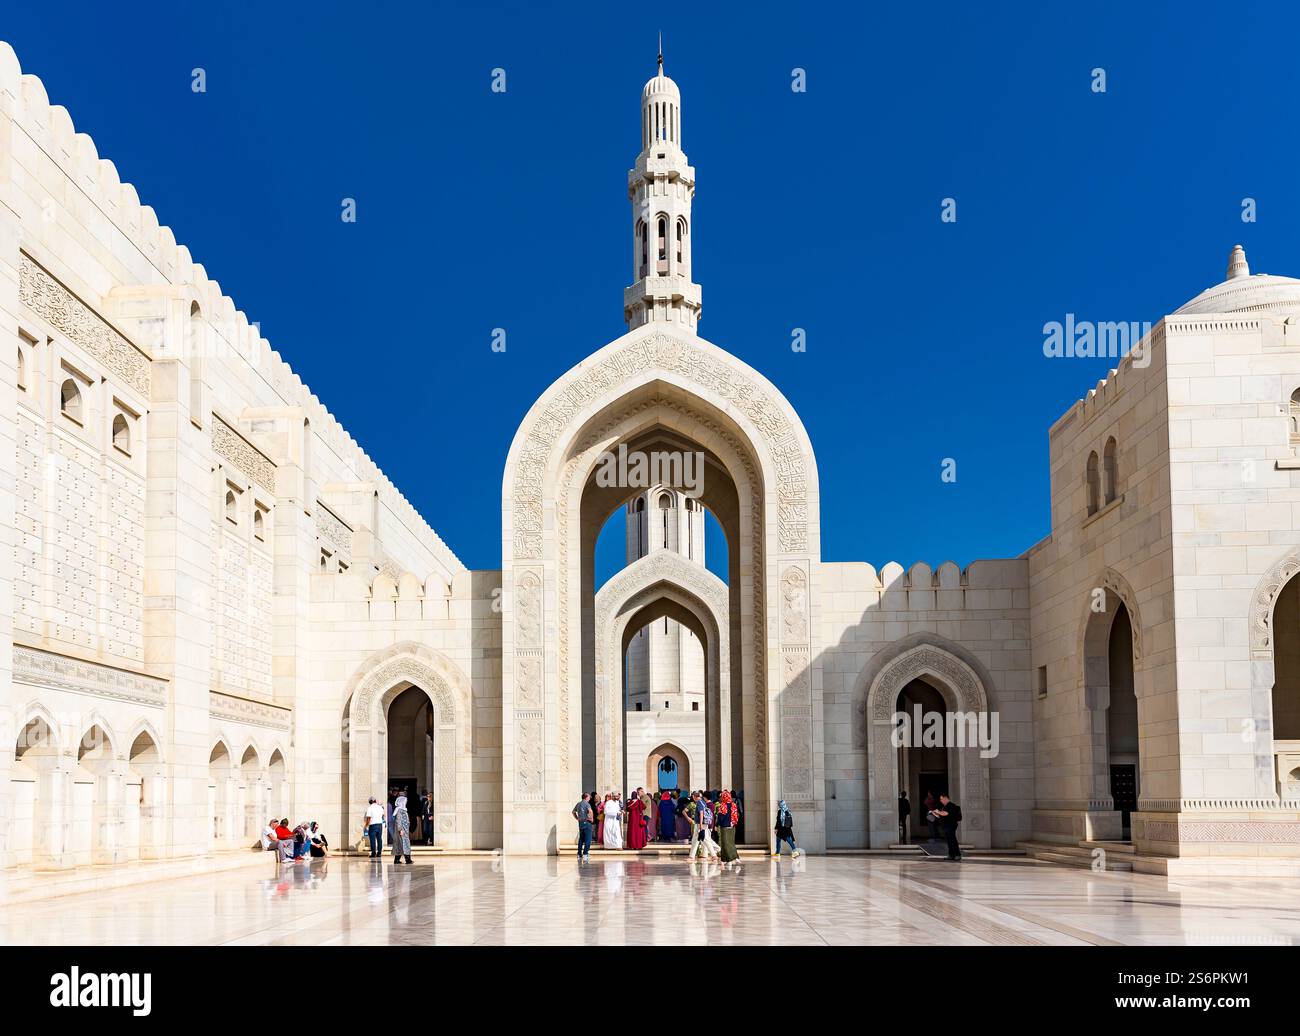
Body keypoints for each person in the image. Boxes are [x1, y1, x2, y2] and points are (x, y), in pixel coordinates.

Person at [716, 789, 741, 866]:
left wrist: (717, 825)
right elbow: (736, 816)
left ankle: (729, 859)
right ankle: (735, 857)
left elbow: (720, 817)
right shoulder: (733, 805)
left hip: (724, 827)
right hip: (732, 826)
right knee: (731, 843)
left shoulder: (722, 805)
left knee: (725, 843)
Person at [935, 793, 963, 861]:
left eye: (941, 799)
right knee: (949, 841)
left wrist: (938, 812)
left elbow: (946, 813)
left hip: (951, 825)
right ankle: (951, 855)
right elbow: (942, 815)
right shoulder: (945, 806)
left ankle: (957, 855)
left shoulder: (951, 805)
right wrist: (935, 814)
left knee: (953, 840)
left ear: (946, 798)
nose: (940, 800)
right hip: (946, 826)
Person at [392, 792, 413, 864]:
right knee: (404, 844)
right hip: (402, 830)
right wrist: (400, 829)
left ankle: (397, 859)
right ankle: (408, 859)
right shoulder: (400, 810)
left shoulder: (402, 809)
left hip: (404, 830)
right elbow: (399, 820)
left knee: (401, 844)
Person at [572, 792, 594, 859]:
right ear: (586, 797)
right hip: (587, 822)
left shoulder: (578, 804)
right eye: (589, 797)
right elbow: (590, 811)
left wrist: (577, 818)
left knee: (581, 839)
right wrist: (592, 818)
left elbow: (573, 812)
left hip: (581, 823)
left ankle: (579, 854)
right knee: (588, 839)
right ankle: (585, 853)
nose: (590, 798)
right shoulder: (587, 804)